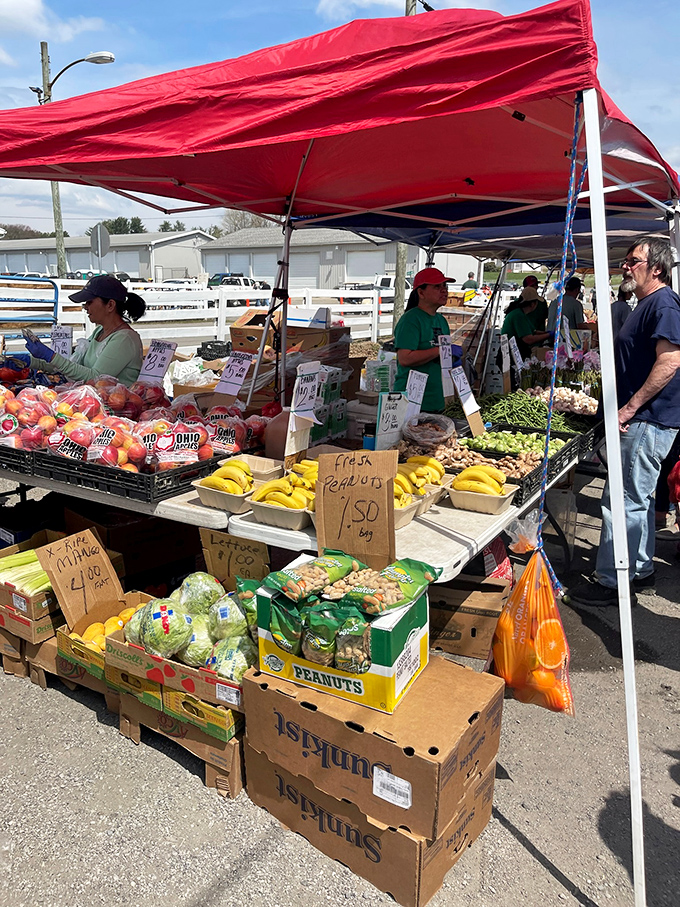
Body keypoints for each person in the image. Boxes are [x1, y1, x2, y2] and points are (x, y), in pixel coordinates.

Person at [569, 237, 680, 605]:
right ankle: (640, 569)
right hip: (646, 419)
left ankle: (610, 582)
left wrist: (629, 409)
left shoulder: (663, 304)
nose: (626, 267)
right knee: (639, 500)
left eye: (634, 261)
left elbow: (670, 361)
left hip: (646, 420)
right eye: (627, 261)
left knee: (621, 500)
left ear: (657, 268)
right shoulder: (646, 304)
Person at [24, 275, 146, 386]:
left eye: (89, 302)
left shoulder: (124, 339)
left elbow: (95, 378)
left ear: (110, 305)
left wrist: (51, 356)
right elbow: (74, 365)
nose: (85, 307)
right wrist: (31, 361)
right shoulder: (99, 332)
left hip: (117, 407)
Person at [393, 267, 461, 414]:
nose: (444, 290)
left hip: (438, 399)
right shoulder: (410, 320)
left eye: (445, 286)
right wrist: (440, 350)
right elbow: (405, 358)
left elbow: (443, 357)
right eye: (437, 286)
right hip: (413, 401)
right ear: (421, 292)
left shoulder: (441, 321)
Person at [500, 287, 552, 360]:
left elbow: (534, 331)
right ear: (533, 304)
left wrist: (546, 333)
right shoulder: (518, 315)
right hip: (510, 354)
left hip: (513, 352)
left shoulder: (522, 314)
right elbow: (528, 339)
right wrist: (549, 335)